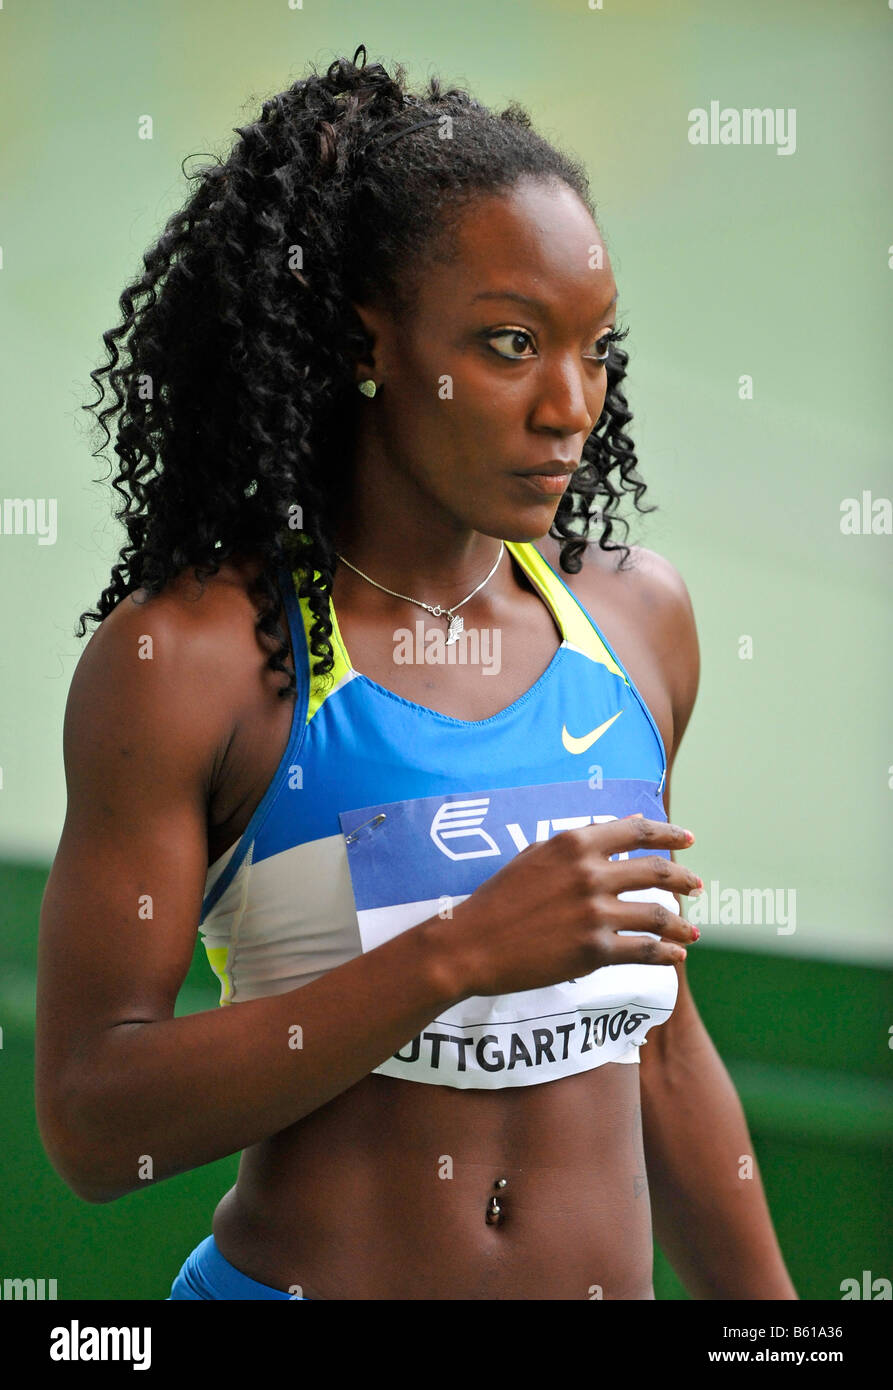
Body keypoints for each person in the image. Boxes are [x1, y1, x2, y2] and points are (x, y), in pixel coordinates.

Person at [34, 45, 797, 1301]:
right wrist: (453, 953)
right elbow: (94, 1127)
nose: (571, 405)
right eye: (508, 344)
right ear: (363, 345)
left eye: (595, 348)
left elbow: (657, 1049)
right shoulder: (193, 663)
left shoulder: (635, 624)